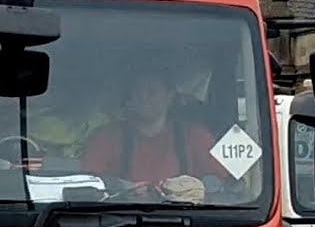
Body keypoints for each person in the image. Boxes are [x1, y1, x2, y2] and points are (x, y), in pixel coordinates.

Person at [79, 65, 228, 201]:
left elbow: (223, 186)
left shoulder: (197, 137)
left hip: (187, 218)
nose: (143, 97)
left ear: (170, 97)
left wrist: (195, 190)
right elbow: (87, 186)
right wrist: (123, 189)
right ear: (129, 97)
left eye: (152, 91)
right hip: (117, 217)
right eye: (138, 90)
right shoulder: (105, 138)